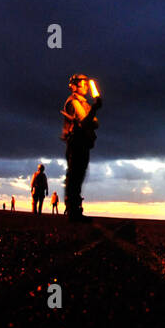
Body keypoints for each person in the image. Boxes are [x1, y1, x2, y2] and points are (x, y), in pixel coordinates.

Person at [61, 74, 102, 221]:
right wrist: (94, 110)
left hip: (83, 142)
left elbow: (95, 123)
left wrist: (92, 112)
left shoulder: (83, 103)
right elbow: (85, 122)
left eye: (85, 84)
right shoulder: (73, 102)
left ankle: (75, 209)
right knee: (74, 176)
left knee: (78, 176)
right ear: (74, 86)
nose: (85, 87)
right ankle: (73, 211)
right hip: (76, 142)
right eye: (82, 84)